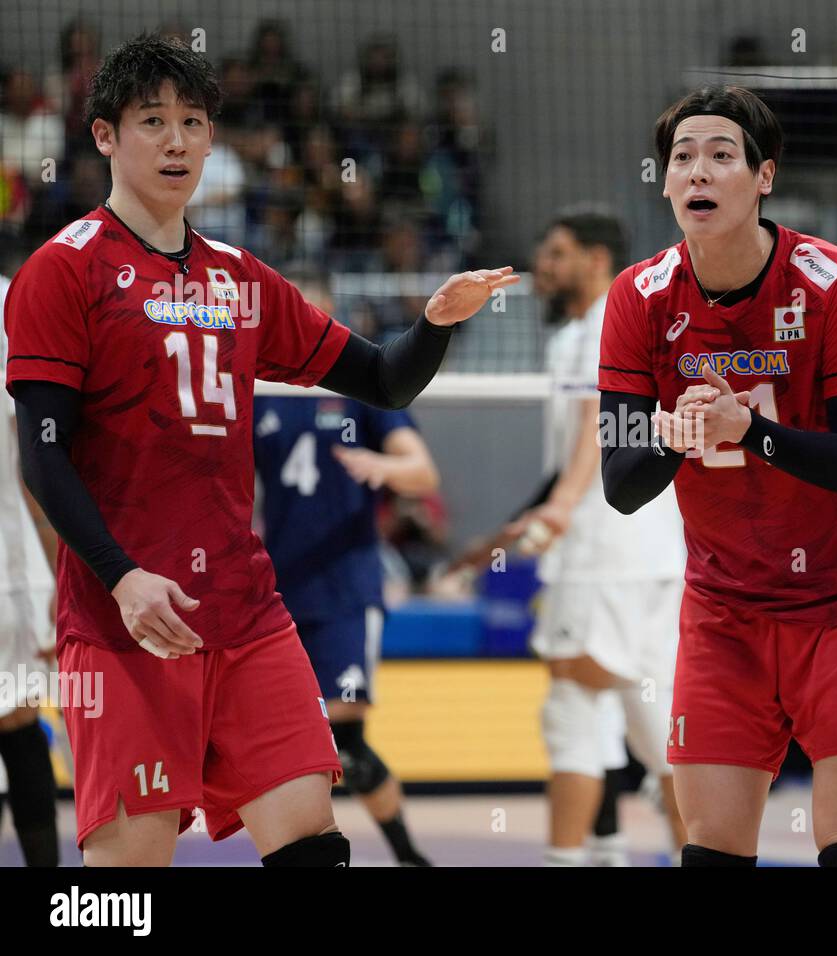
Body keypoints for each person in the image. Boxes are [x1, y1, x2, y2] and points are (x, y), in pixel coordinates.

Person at [2, 33, 517, 867]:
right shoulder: (64, 272)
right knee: (128, 878)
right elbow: (44, 458)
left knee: (313, 839)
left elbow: (384, 382)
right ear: (104, 135)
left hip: (246, 613)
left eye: (194, 122)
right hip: (124, 622)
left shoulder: (240, 279)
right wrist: (123, 577)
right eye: (152, 121)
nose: (177, 141)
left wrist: (435, 322)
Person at [599, 86, 837, 867]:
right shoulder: (637, 299)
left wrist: (751, 432)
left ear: (764, 176)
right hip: (724, 608)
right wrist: (676, 439)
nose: (699, 172)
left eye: (721, 156)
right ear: (665, 183)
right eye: (682, 159)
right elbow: (622, 482)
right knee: (711, 853)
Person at [517, 209, 688, 865]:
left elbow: (600, 419)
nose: (543, 264)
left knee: (574, 716)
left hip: (599, 557)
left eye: (556, 253)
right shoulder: (588, 330)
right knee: (663, 730)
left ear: (594, 259)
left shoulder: (607, 321)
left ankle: (571, 858)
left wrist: (560, 507)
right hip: (652, 555)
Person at [253, 273, 438, 866]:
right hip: (274, 593)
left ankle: (409, 855)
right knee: (280, 743)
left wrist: (379, 466)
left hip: (344, 590)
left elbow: (424, 475)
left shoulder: (363, 390)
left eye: (317, 313)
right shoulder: (258, 392)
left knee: (349, 743)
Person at [0, 273, 60, 866]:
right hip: (13, 573)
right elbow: (39, 462)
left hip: (13, 568)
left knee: (17, 724)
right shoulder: (18, 298)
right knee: (17, 722)